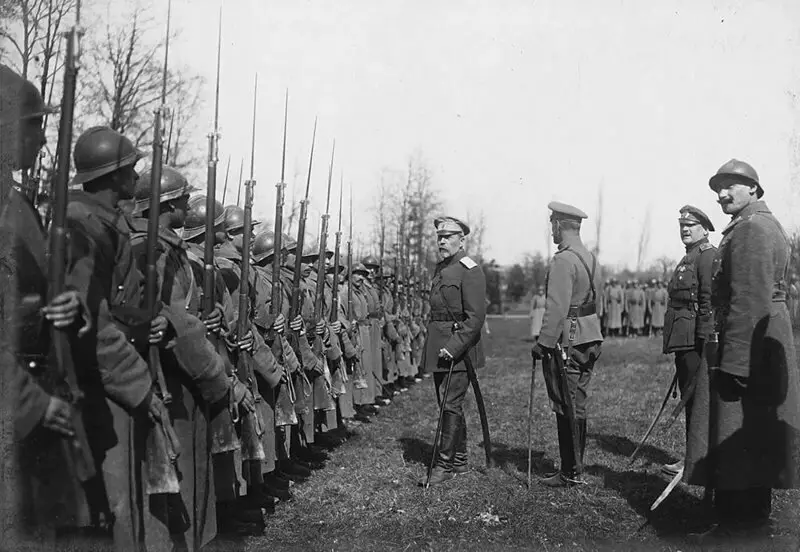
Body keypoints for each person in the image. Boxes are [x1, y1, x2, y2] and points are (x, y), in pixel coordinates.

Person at [684, 159, 800, 540]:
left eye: (731, 185)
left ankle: (737, 527)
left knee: (737, 433)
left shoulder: (751, 229)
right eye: (718, 187)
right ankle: (747, 521)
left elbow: (749, 300)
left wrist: (735, 363)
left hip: (749, 345)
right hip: (760, 342)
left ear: (754, 189)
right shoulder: (755, 224)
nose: (721, 194)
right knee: (753, 436)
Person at [532, 202, 603, 487]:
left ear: (560, 225)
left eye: (553, 225)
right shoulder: (591, 258)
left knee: (566, 405)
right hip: (590, 335)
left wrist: (543, 342)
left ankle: (570, 472)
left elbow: (557, 306)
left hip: (569, 340)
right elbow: (599, 301)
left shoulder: (563, 260)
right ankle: (575, 467)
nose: (552, 230)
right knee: (578, 403)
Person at [421, 216, 486, 485]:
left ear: (462, 239)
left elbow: (475, 317)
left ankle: (444, 465)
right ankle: (459, 460)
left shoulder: (469, 270)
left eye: (448, 236)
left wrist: (453, 347)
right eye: (439, 237)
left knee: (450, 405)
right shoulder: (441, 269)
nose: (442, 241)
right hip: (439, 347)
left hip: (458, 351)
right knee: (449, 405)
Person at [661, 205, 716, 476]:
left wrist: (705, 341)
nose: (685, 229)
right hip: (684, 339)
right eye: (682, 225)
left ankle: (696, 460)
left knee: (696, 400)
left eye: (691, 225)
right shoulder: (689, 257)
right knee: (689, 397)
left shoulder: (706, 256)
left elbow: (708, 300)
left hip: (696, 341)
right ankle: (693, 456)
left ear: (704, 229)